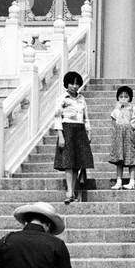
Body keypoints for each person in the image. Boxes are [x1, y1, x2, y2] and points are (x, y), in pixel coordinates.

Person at [53, 71, 93, 205]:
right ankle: (69, 191)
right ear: (66, 84)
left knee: (77, 163)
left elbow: (86, 116)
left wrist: (89, 132)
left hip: (80, 130)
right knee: (69, 162)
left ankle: (73, 190)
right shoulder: (62, 98)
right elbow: (58, 117)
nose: (74, 86)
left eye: (77, 84)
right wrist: (61, 136)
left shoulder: (82, 99)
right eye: (72, 83)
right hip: (67, 130)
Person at [108, 85, 135, 189]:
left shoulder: (134, 109)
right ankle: (119, 181)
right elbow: (113, 124)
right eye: (121, 97)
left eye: (126, 96)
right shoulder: (116, 110)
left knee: (130, 158)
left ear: (130, 98)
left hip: (129, 135)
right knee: (119, 158)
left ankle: (132, 181)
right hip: (119, 135)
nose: (123, 99)